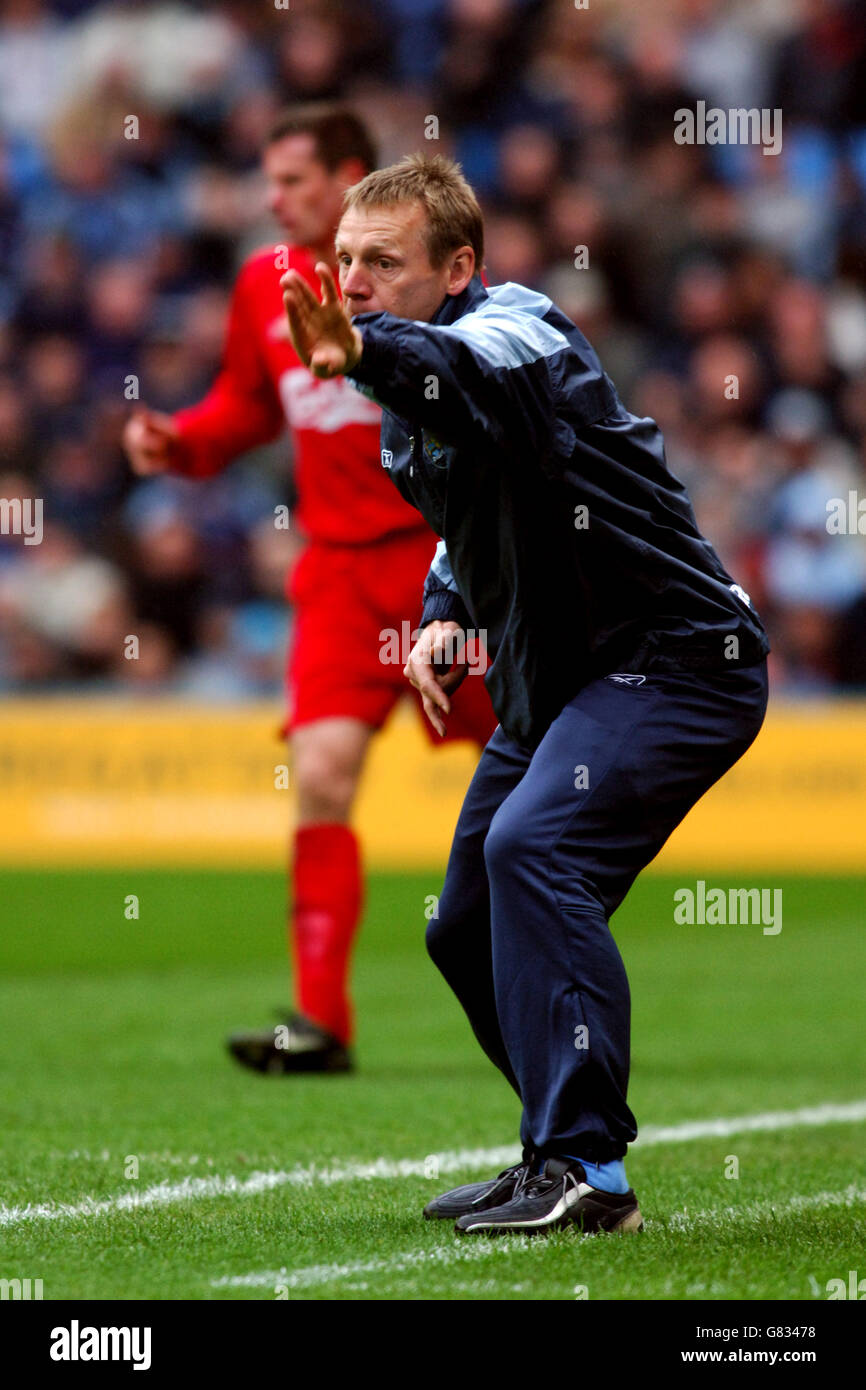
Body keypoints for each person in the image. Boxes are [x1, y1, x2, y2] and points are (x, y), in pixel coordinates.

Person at [280, 153, 770, 1233]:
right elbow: (474, 505)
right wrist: (447, 608)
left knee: (530, 851)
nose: (351, 279)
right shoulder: (409, 393)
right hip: (561, 679)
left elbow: (475, 384)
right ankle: (552, 1145)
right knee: (461, 925)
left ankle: (590, 1175)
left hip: (677, 658)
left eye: (382, 263)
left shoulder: (521, 329)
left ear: (458, 267)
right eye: (344, 261)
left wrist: (362, 350)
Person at [123, 112, 497, 1076]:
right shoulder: (262, 283)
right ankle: (320, 1023)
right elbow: (249, 402)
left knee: (525, 773)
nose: (271, 198)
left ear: (345, 178)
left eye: (291, 180)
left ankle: (551, 970)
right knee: (322, 777)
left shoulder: (409, 280)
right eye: (268, 180)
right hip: (335, 570)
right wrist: (186, 442)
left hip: (446, 562)